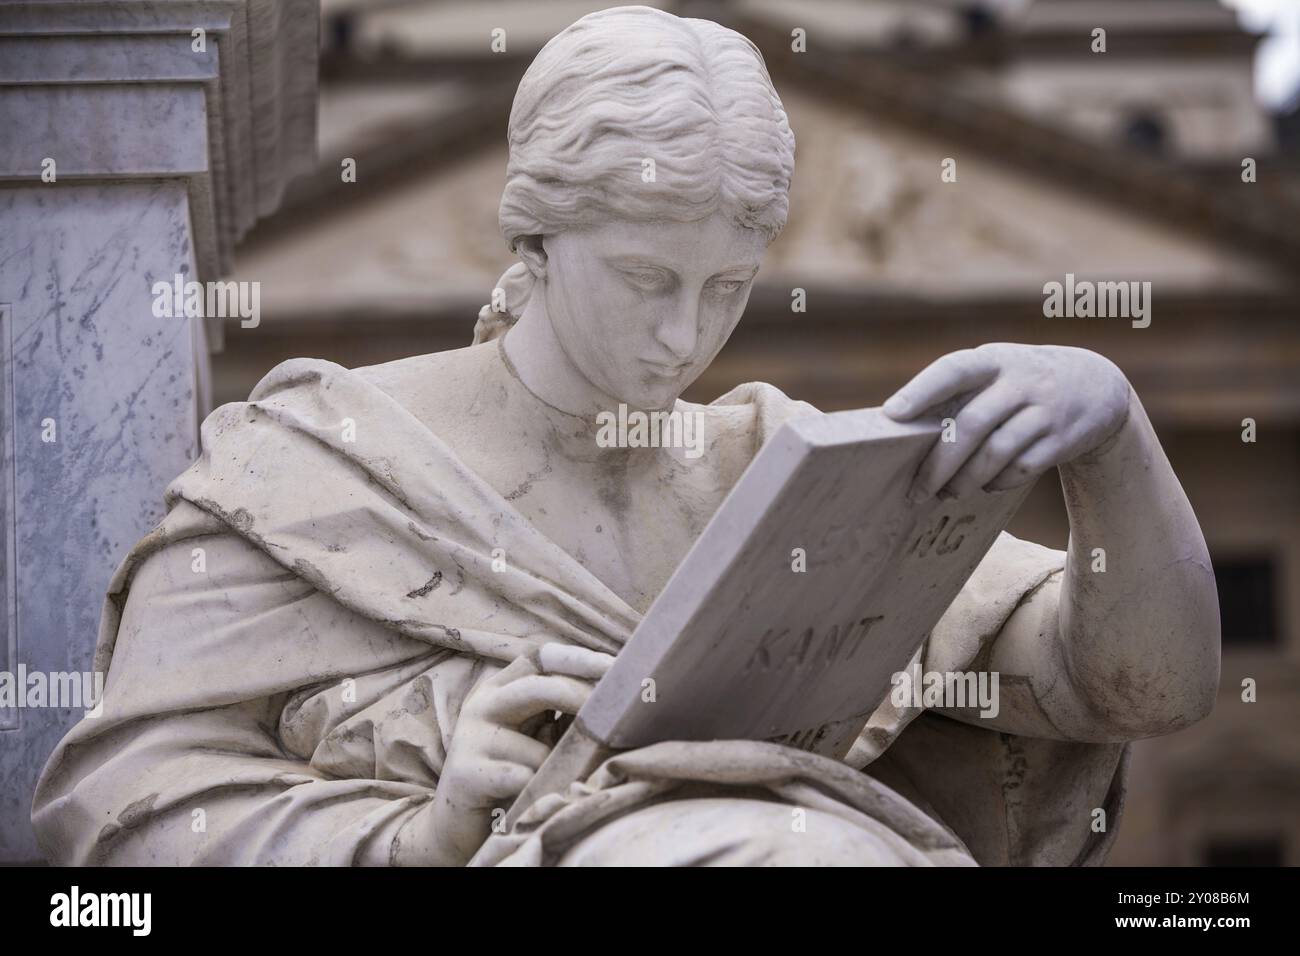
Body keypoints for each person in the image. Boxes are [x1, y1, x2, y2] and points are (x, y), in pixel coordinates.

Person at [33, 5, 1219, 867]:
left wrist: (1111, 439)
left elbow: (1136, 686)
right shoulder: (313, 463)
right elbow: (118, 813)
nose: (682, 334)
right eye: (646, 275)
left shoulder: (778, 464)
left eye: (728, 286)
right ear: (532, 239)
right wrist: (416, 834)